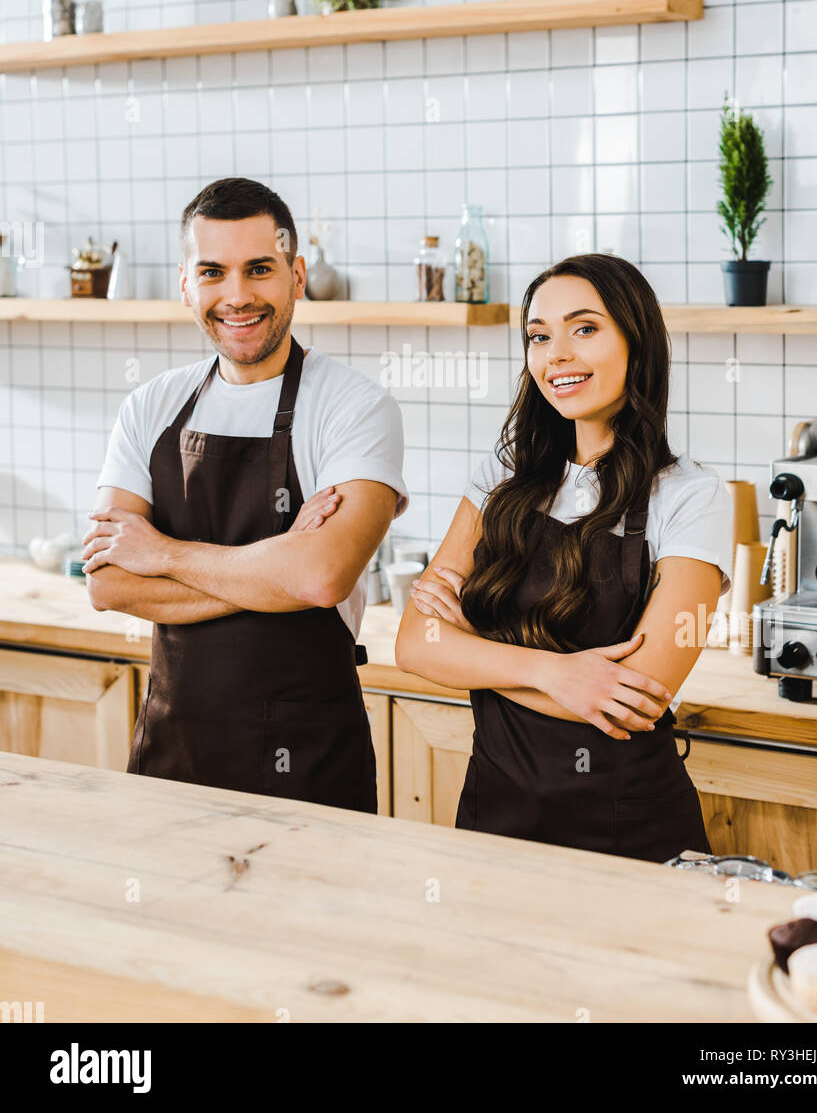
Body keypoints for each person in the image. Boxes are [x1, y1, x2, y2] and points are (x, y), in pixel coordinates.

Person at [83, 177, 408, 813]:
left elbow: (319, 578)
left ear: (296, 275)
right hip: (172, 761)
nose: (237, 296)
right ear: (186, 284)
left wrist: (166, 554)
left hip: (309, 769)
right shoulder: (150, 407)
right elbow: (109, 585)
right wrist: (276, 560)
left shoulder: (356, 407)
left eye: (259, 269)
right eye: (212, 271)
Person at [394, 254, 732, 862]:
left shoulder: (691, 494)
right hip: (492, 823)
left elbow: (637, 699)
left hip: (628, 835)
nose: (556, 355)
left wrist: (477, 645)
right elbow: (416, 644)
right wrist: (558, 673)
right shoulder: (504, 476)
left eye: (584, 329)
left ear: (637, 341)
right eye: (539, 336)